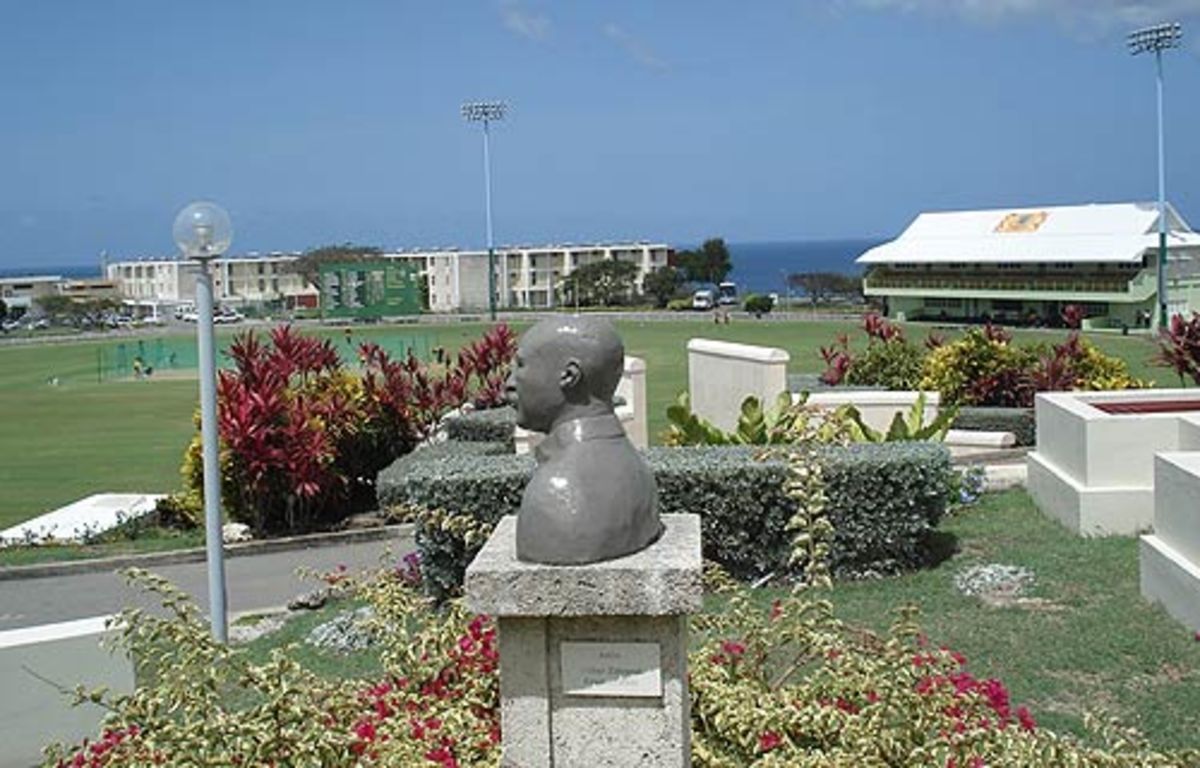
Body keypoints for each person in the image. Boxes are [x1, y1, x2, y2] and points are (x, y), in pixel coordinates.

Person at [506, 316, 662, 564]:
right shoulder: (637, 470)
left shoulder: (554, 493)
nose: (510, 383)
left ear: (569, 376)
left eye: (521, 366)